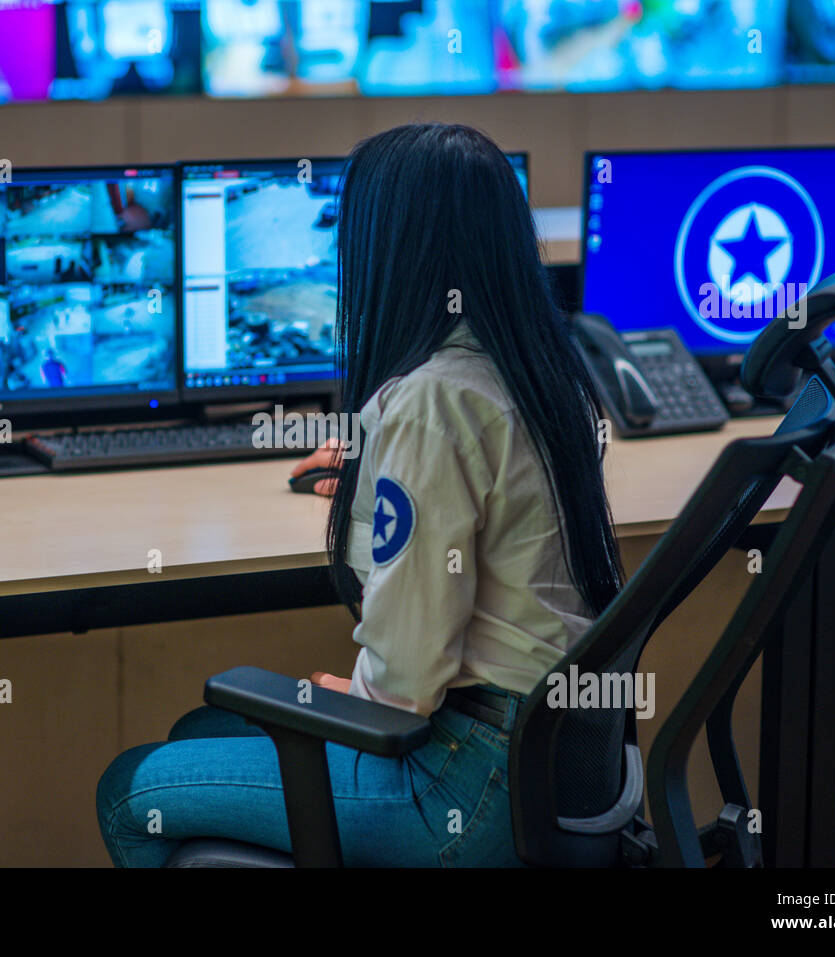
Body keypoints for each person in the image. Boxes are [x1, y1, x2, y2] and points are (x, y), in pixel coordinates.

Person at [96, 123, 623, 867]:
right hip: (556, 765)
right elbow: (484, 515)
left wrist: (356, 690)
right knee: (196, 730)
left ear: (389, 250)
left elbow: (404, 682)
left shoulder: (431, 404)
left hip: (462, 785)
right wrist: (383, 487)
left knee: (128, 792)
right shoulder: (542, 373)